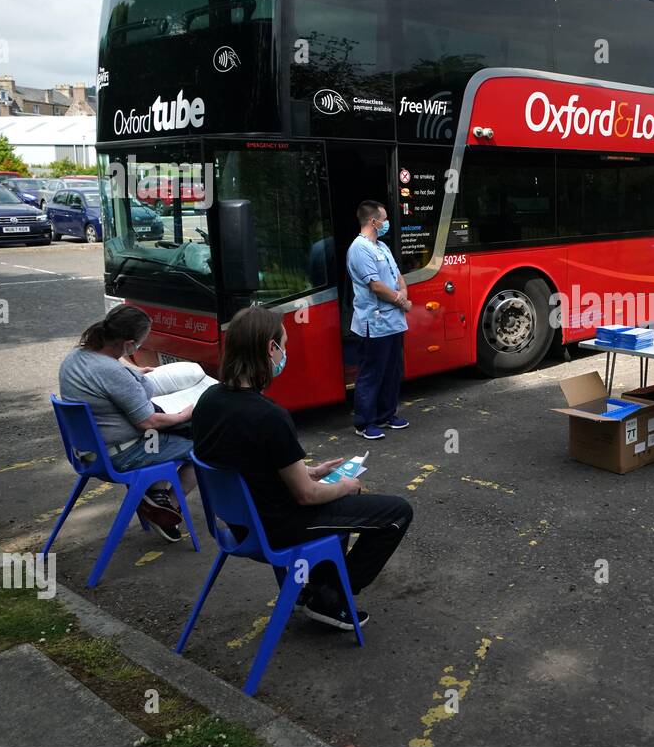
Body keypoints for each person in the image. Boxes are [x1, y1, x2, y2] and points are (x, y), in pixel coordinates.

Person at [192, 306, 414, 630]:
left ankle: (316, 586)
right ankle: (331, 595)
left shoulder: (209, 400)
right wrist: (345, 486)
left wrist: (310, 471)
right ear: (271, 349)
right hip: (279, 528)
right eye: (284, 344)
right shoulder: (269, 416)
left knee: (338, 503)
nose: (285, 352)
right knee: (396, 512)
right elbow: (307, 497)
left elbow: (246, 465)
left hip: (240, 525)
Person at [58, 304, 206, 542]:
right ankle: (168, 509)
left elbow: (109, 377)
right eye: (138, 343)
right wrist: (184, 414)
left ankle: (157, 495)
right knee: (205, 448)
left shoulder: (77, 357)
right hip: (120, 455)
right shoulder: (111, 372)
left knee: (171, 436)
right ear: (128, 344)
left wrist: (134, 373)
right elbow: (147, 422)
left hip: (88, 452)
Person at [348, 200, 410, 439]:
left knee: (392, 371)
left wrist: (403, 292)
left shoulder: (382, 247)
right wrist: (402, 301)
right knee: (371, 373)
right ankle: (364, 423)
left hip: (393, 322)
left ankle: (386, 415)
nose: (386, 224)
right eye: (383, 219)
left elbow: (397, 275)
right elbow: (375, 286)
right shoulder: (359, 248)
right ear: (373, 222)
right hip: (373, 324)